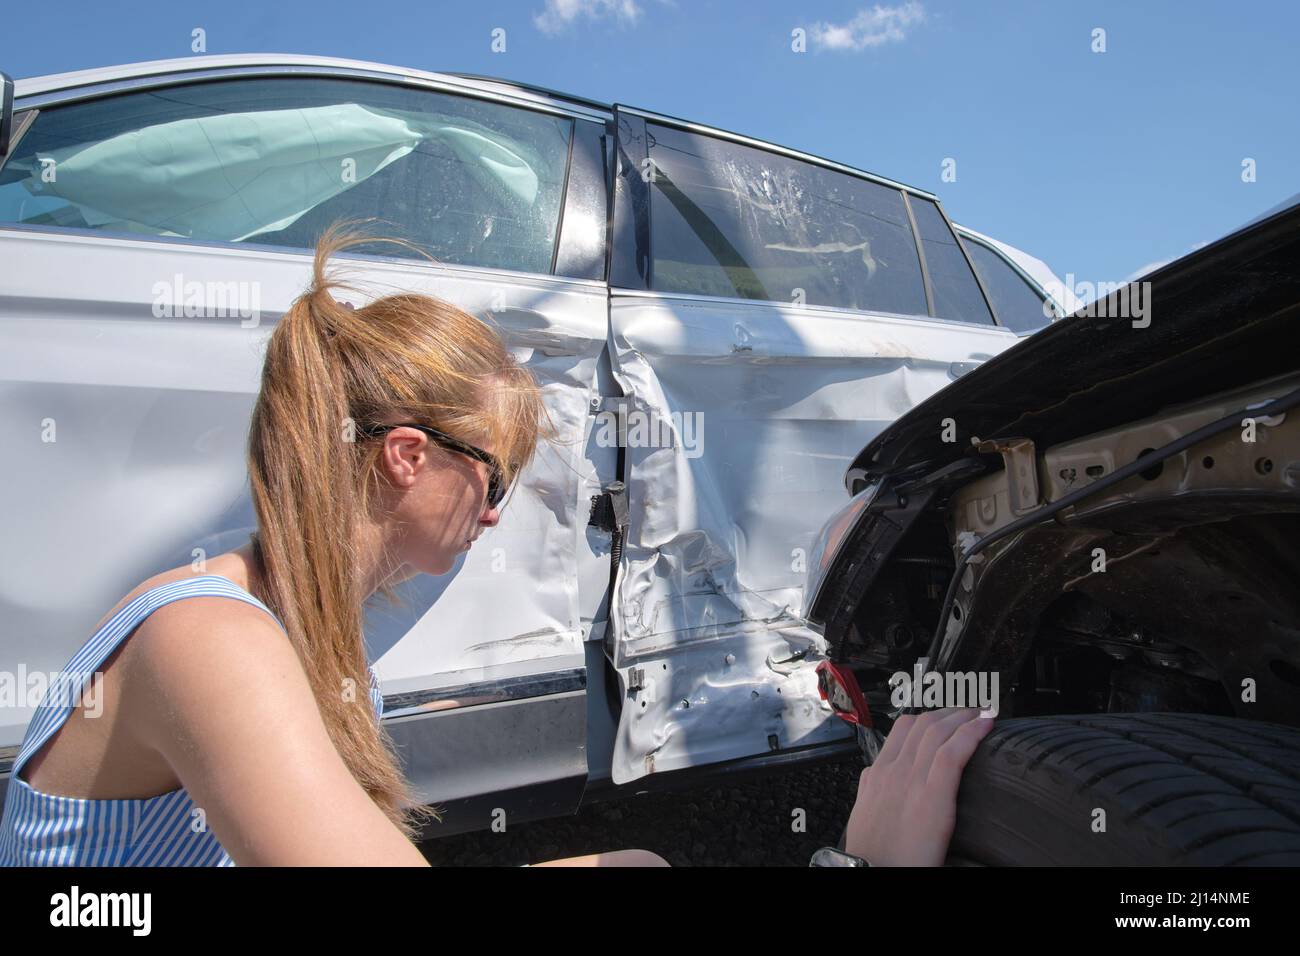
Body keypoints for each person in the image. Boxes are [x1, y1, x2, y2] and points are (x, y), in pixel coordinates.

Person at [0, 223, 987, 867]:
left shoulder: (272, 618)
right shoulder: (210, 640)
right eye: (496, 474)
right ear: (405, 456)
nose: (496, 510)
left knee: (633, 865)